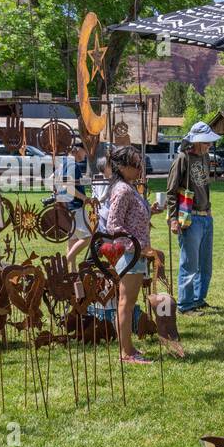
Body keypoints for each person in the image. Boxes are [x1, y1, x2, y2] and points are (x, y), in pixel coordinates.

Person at [104, 145, 153, 364]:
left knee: (129, 302)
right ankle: (126, 352)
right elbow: (113, 225)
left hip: (136, 253)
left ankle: (129, 347)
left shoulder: (129, 187)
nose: (139, 168)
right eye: (135, 164)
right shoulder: (123, 189)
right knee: (126, 302)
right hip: (130, 255)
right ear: (122, 167)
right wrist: (135, 245)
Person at [167, 121, 218, 315]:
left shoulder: (205, 158)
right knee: (189, 263)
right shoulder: (182, 158)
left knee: (204, 263)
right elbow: (171, 191)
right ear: (196, 141)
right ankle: (185, 304)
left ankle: (198, 299)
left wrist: (209, 210)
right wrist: (173, 218)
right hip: (190, 218)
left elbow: (205, 187)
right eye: (206, 142)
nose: (209, 145)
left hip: (205, 216)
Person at [60, 141, 92, 270]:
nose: (86, 155)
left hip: (67, 205)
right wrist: (84, 198)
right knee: (87, 237)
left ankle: (72, 272)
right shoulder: (72, 164)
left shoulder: (64, 162)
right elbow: (68, 187)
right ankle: (64, 265)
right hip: (75, 206)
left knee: (73, 240)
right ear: (78, 150)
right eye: (85, 151)